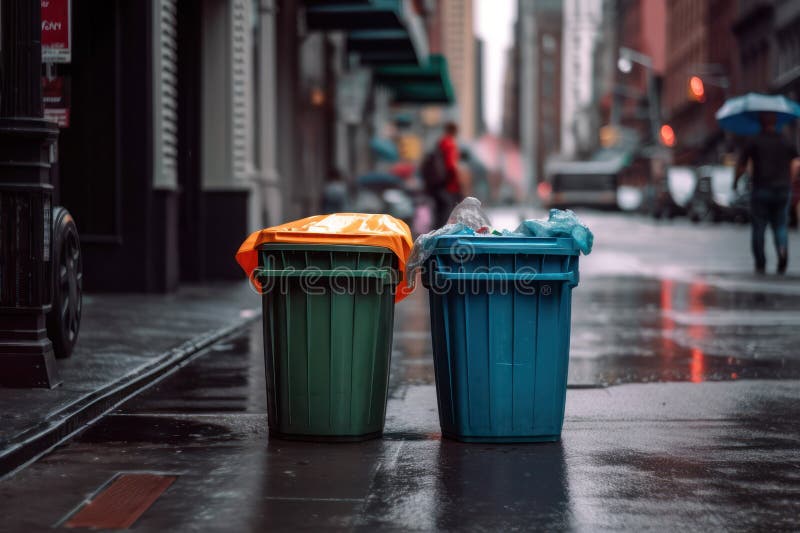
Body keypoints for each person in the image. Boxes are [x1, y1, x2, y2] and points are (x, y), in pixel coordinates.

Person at [735, 112, 800, 274]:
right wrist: (789, 181)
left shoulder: (754, 141)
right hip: (782, 190)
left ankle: (760, 262)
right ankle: (782, 253)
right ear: (775, 122)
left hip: (761, 189)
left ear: (760, 123)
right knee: (780, 226)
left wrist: (735, 182)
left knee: (759, 227)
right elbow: (796, 163)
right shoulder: (785, 141)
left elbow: (741, 166)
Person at [431, 122, 463, 228]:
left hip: (438, 184)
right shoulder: (449, 144)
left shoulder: (441, 143)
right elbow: (451, 165)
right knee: (447, 214)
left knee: (440, 214)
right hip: (449, 186)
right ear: (454, 131)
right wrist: (459, 181)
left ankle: (436, 237)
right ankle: (443, 238)